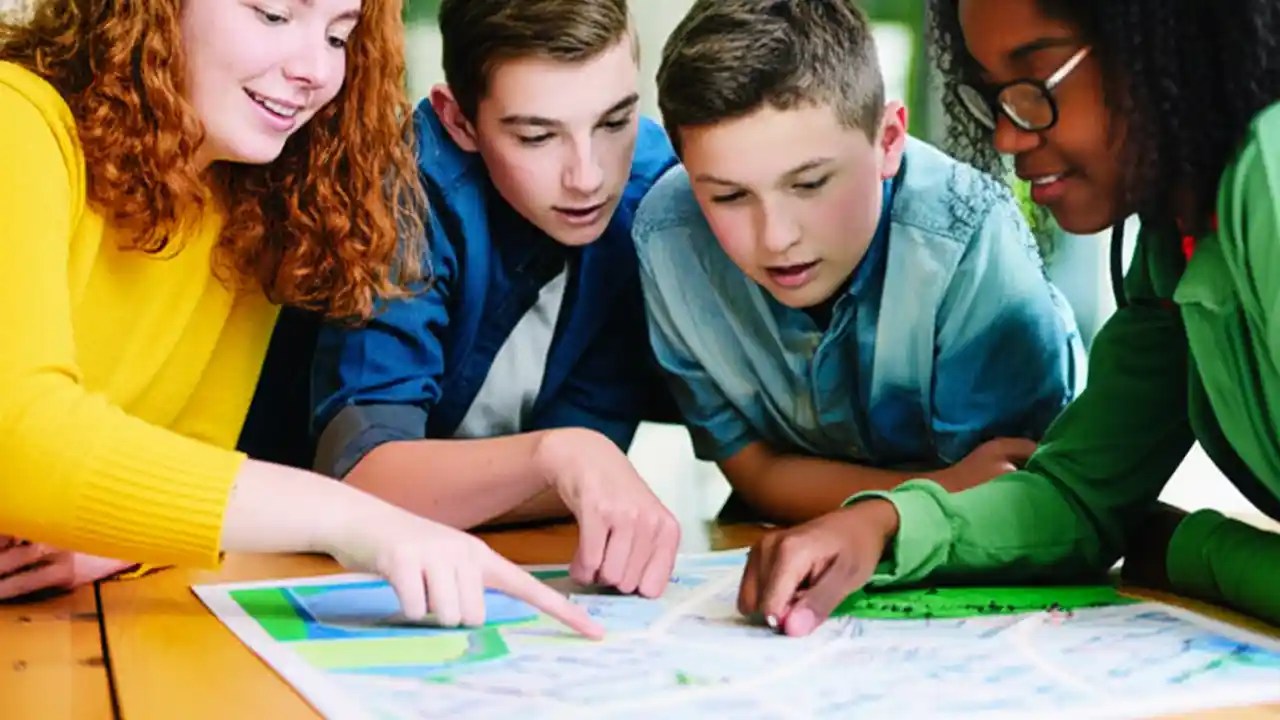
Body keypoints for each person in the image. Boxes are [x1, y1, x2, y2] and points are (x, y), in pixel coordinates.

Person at [0, 0, 599, 637]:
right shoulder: (18, 121)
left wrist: (109, 532)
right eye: (274, 16)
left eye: (340, 36)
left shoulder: (251, 199)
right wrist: (357, 521)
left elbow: (196, 452)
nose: (316, 69)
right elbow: (18, 432)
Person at [740, 0, 1280, 636]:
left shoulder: (1267, 171)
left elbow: (1126, 523)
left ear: (1168, 43)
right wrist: (880, 525)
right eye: (992, 94)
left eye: (1036, 82)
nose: (1006, 135)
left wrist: (1191, 549)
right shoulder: (1176, 239)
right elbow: (1081, 497)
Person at [632, 0, 1082, 527]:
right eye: (729, 196)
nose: (777, 238)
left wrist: (945, 493)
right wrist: (938, 487)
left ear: (888, 140)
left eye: (810, 183)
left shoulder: (970, 239)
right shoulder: (667, 236)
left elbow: (999, 497)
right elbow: (753, 475)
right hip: (774, 537)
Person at [307, 0, 681, 598]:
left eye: (614, 123)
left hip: (525, 565)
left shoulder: (661, 191)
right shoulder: (406, 188)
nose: (588, 176)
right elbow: (360, 477)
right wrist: (558, 457)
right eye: (536, 136)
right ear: (458, 121)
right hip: (306, 570)